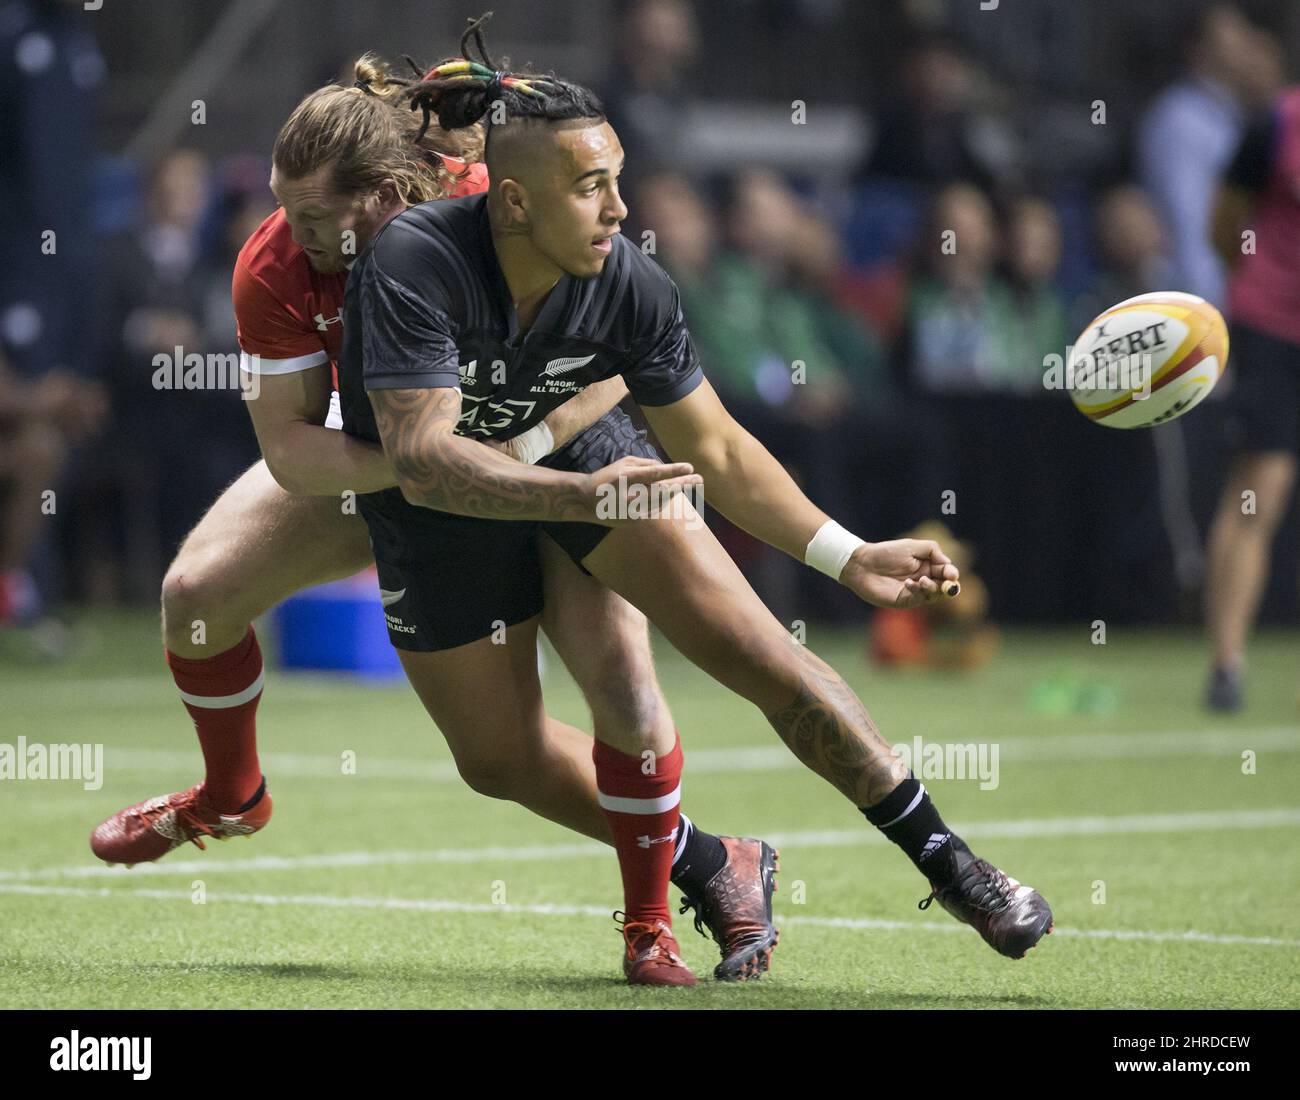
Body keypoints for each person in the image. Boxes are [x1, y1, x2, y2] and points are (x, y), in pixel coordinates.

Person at [338, 15, 1053, 985]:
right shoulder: (414, 263)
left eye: (618, 179)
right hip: (446, 503)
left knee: (751, 656)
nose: (617, 207)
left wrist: (849, 552)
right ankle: (716, 859)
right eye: (590, 186)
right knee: (496, 758)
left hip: (593, 459)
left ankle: (954, 864)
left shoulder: (627, 280)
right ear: (511, 200)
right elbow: (423, 460)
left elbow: (713, 444)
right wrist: (579, 490)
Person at [89, 51, 781, 986]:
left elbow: (618, 355)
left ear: (383, 197)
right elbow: (293, 451)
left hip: (566, 445)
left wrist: (517, 463)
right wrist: (440, 470)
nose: (287, 233)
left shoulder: (503, 198)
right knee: (198, 597)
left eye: (310, 215)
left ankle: (653, 917)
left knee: (621, 689)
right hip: (405, 462)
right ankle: (232, 791)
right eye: (284, 210)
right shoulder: (278, 264)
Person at [1203, 84, 1300, 710]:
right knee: (1255, 498)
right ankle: (1227, 665)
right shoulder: (1278, 120)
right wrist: (1255, 281)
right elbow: (1223, 220)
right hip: (1271, 329)